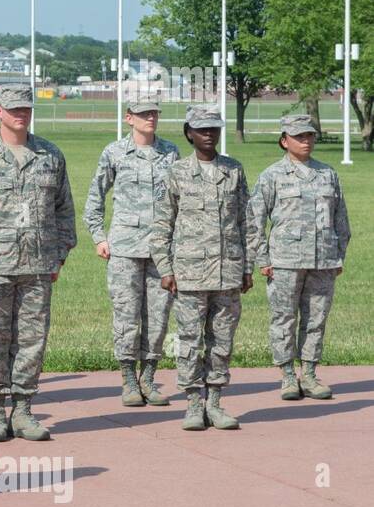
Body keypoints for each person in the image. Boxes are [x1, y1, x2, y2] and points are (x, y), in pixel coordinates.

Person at [0, 84, 76, 442]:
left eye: (26, 108)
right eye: (14, 109)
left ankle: (23, 409)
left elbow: (64, 210)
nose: (21, 114)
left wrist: (60, 253)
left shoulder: (49, 155)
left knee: (31, 340)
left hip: (37, 266)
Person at [150, 106, 255, 431]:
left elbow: (247, 223)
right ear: (189, 133)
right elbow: (160, 226)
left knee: (222, 342)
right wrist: (165, 269)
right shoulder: (177, 172)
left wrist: (248, 267)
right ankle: (194, 404)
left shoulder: (233, 171)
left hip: (227, 273)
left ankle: (215, 403)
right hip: (190, 275)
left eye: (214, 128)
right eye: (202, 129)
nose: (209, 134)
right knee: (191, 341)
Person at [83, 99, 181, 407]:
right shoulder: (114, 153)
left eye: (154, 114)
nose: (150, 118)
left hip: (162, 250)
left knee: (158, 315)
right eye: (143, 114)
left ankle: (148, 378)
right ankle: (128, 380)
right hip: (124, 247)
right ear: (129, 118)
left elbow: (179, 200)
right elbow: (94, 198)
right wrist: (99, 236)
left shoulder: (171, 152)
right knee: (126, 315)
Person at [248, 114, 351, 401]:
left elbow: (341, 221)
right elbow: (254, 221)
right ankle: (288, 376)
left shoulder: (328, 174)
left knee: (316, 319)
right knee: (284, 318)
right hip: (285, 262)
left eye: (309, 136)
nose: (306, 141)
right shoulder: (272, 176)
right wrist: (263, 258)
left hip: (323, 262)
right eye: (299, 136)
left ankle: (310, 374)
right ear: (284, 141)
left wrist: (338, 255)